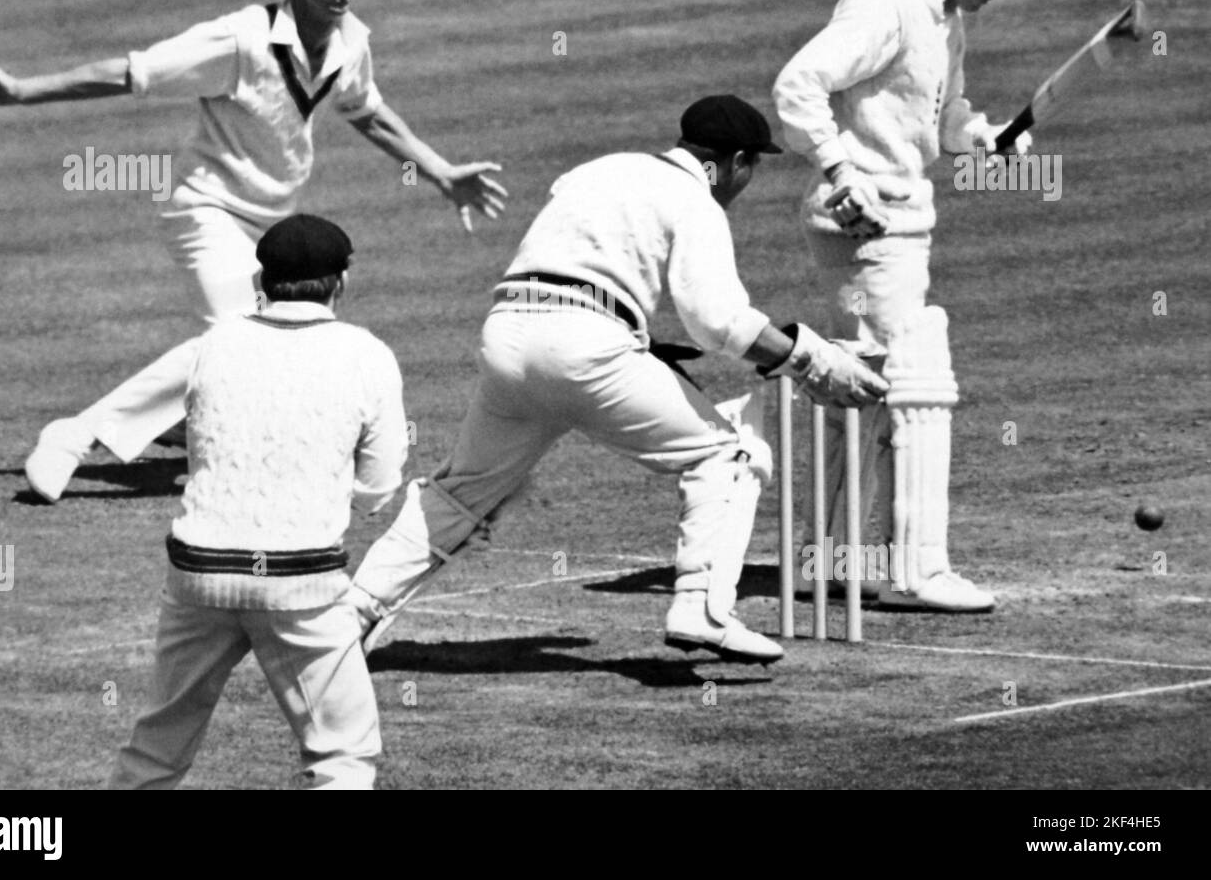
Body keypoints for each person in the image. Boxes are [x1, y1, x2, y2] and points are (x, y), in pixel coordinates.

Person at [0, 0, 505, 502]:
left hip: (271, 223)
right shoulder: (239, 39)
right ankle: (75, 436)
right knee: (239, 336)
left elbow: (366, 110)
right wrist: (19, 91)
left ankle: (195, 424)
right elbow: (131, 73)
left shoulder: (352, 40)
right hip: (205, 209)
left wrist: (439, 170)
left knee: (274, 339)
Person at [343, 95, 888, 663]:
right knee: (730, 454)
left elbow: (575, 265)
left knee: (460, 493)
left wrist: (641, 348)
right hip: (589, 349)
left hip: (509, 335)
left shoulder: (593, 171)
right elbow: (719, 321)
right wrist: (809, 360)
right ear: (737, 161)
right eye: (749, 169)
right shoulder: (695, 199)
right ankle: (701, 610)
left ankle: (349, 616)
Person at [772, 0, 1034, 612]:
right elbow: (798, 85)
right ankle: (917, 571)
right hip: (866, 224)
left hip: (900, 220)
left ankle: (823, 560)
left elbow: (942, 126)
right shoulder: (887, 5)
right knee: (911, 377)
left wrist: (987, 139)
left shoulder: (949, 20)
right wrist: (840, 173)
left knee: (858, 378)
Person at [107, 213, 407, 790]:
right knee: (343, 755)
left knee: (157, 747)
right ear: (340, 284)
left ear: (259, 282)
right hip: (302, 583)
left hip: (198, 573)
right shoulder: (368, 354)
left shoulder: (212, 344)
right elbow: (379, 486)